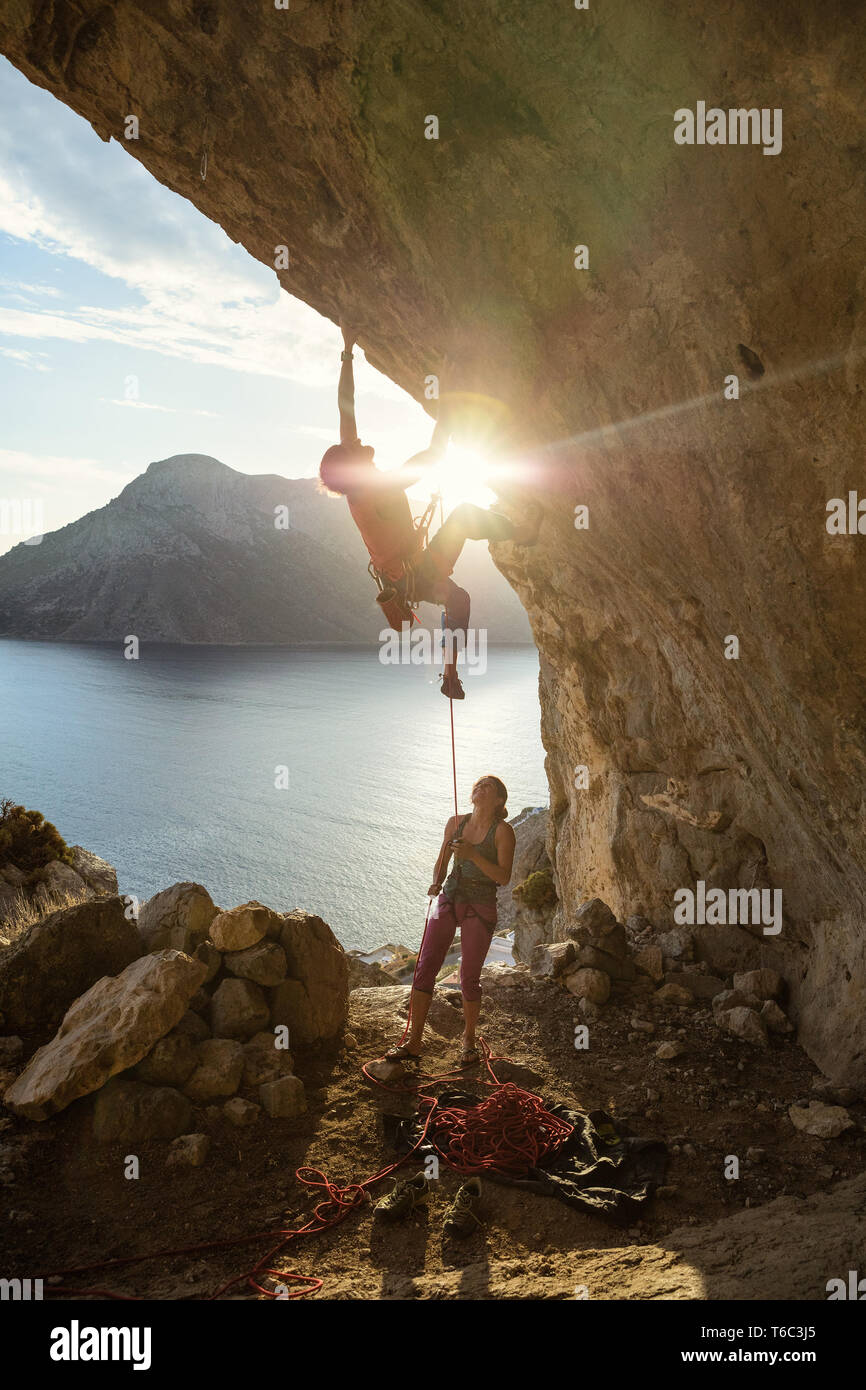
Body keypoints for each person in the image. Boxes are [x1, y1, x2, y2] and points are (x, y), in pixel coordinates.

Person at [319, 328, 542, 698]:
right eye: (353, 447)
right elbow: (433, 454)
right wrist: (447, 401)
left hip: (403, 576)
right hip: (416, 573)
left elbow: (346, 406)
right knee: (466, 525)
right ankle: (525, 534)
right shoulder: (378, 488)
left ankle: (450, 677)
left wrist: (346, 350)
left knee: (457, 597)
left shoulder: (360, 489)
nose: (357, 441)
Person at [386, 775, 516, 1068]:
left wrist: (472, 855)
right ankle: (414, 1041)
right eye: (478, 785)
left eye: (488, 786)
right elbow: (443, 860)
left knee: (468, 976)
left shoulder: (502, 832)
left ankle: (468, 1040)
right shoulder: (455, 821)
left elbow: (503, 876)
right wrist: (436, 882)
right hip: (450, 896)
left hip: (480, 902)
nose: (479, 788)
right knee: (425, 966)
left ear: (499, 800)